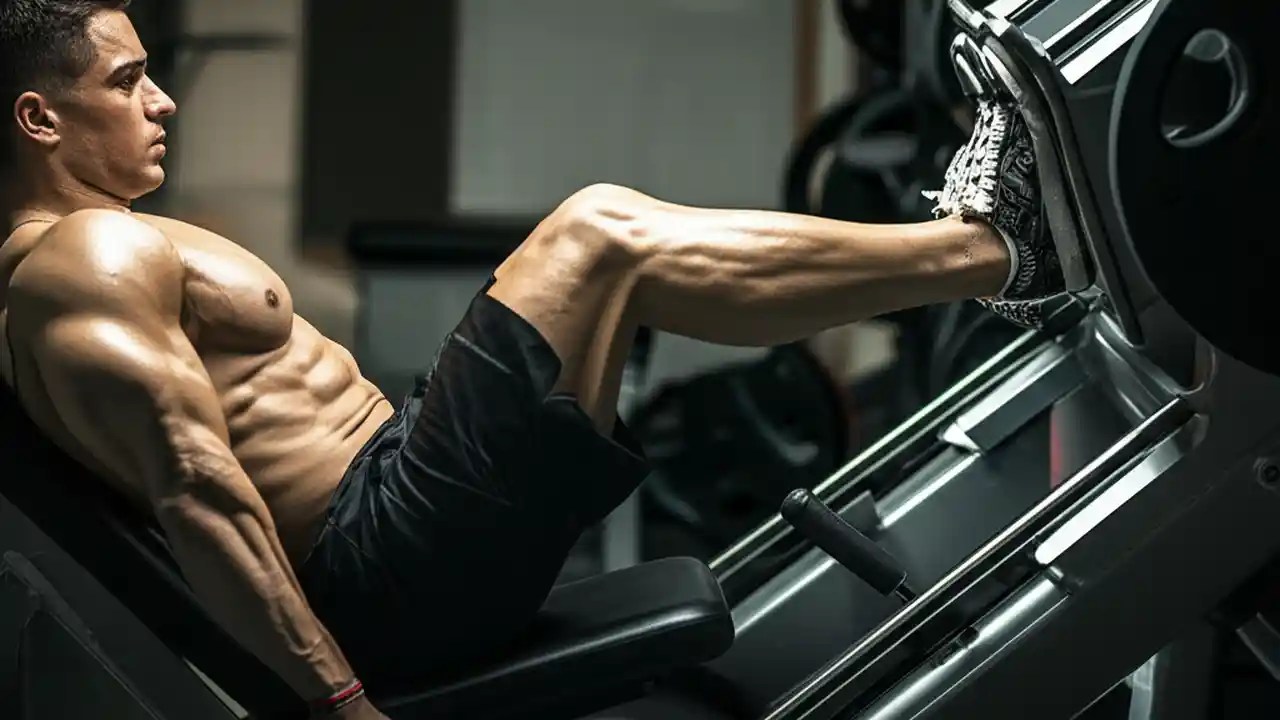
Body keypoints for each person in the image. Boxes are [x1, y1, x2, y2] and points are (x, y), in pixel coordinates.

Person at [0, 1, 1063, 718]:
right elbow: (198, 492)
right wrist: (341, 705)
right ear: (40, 118)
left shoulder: (96, 247)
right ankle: (994, 246)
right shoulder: (81, 264)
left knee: (621, 251)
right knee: (597, 235)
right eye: (127, 82)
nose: (162, 100)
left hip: (400, 510)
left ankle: (992, 252)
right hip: (385, 571)